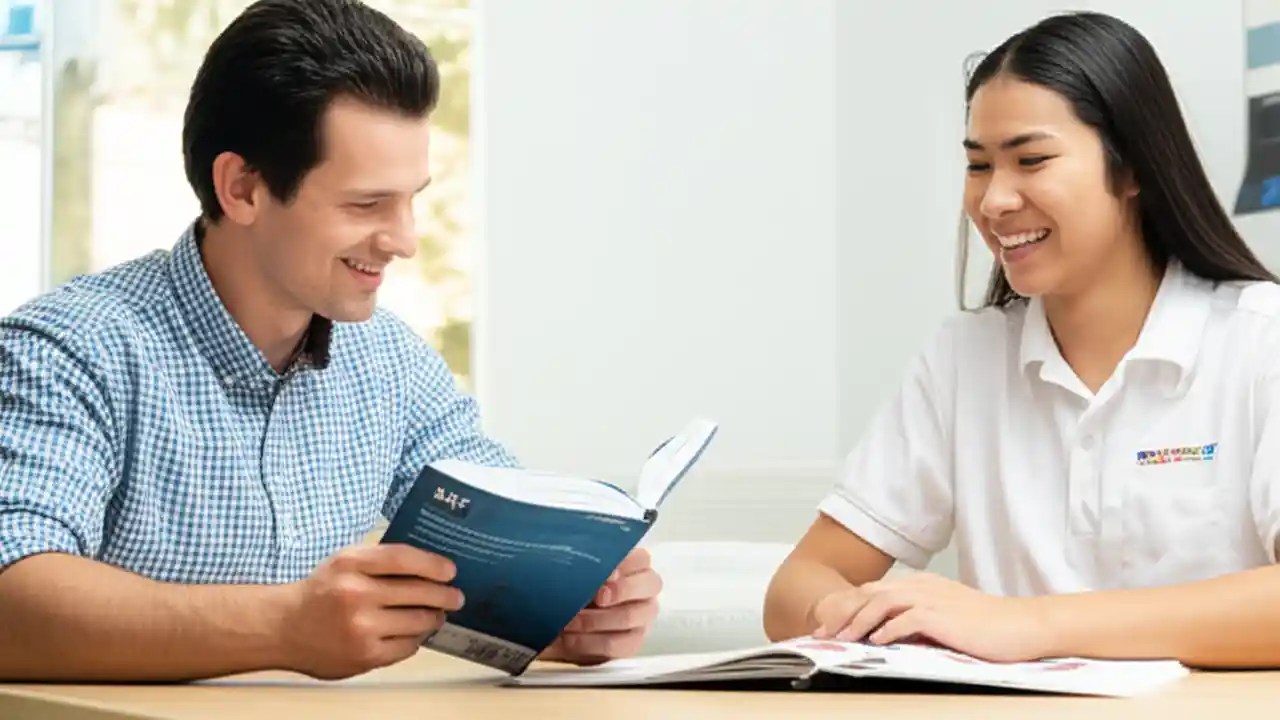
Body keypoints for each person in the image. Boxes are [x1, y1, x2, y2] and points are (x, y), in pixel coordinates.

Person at [0, 0, 659, 681]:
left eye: (411, 200)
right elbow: (9, 598)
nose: (404, 240)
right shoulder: (68, 352)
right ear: (243, 188)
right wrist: (282, 627)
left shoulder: (391, 365)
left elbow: (498, 550)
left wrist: (565, 613)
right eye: (366, 205)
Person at [764, 11, 1280, 668]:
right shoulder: (964, 359)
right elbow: (794, 588)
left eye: (1030, 160)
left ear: (1132, 169)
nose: (994, 200)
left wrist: (1031, 624)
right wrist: (846, 613)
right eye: (978, 166)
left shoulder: (1261, 340)